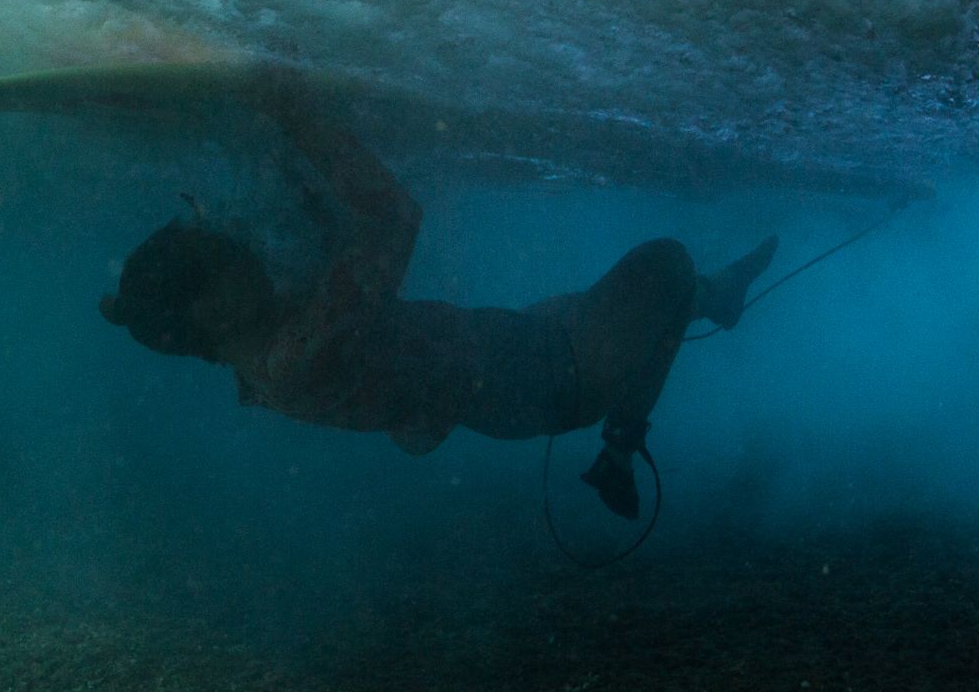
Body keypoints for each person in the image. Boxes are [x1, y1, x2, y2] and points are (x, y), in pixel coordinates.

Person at [81, 64, 777, 519]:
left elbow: (327, 244)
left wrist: (264, 143)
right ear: (209, 309)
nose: (241, 247)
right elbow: (390, 221)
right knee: (666, 265)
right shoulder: (295, 349)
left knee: (663, 299)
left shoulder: (259, 354)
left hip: (518, 353)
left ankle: (719, 304)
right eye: (223, 253)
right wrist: (296, 113)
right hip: (546, 375)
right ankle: (622, 443)